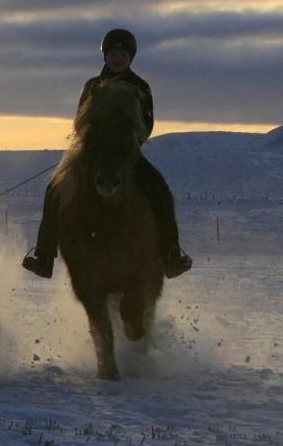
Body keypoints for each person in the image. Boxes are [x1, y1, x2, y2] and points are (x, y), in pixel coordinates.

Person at [21, 28, 192, 279]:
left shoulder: (140, 87)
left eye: (122, 54)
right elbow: (79, 120)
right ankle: (44, 255)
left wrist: (130, 139)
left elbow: (147, 124)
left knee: (160, 189)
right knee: (54, 189)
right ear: (105, 56)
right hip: (92, 154)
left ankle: (171, 254)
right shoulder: (92, 86)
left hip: (127, 154)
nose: (117, 59)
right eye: (113, 53)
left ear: (130, 57)